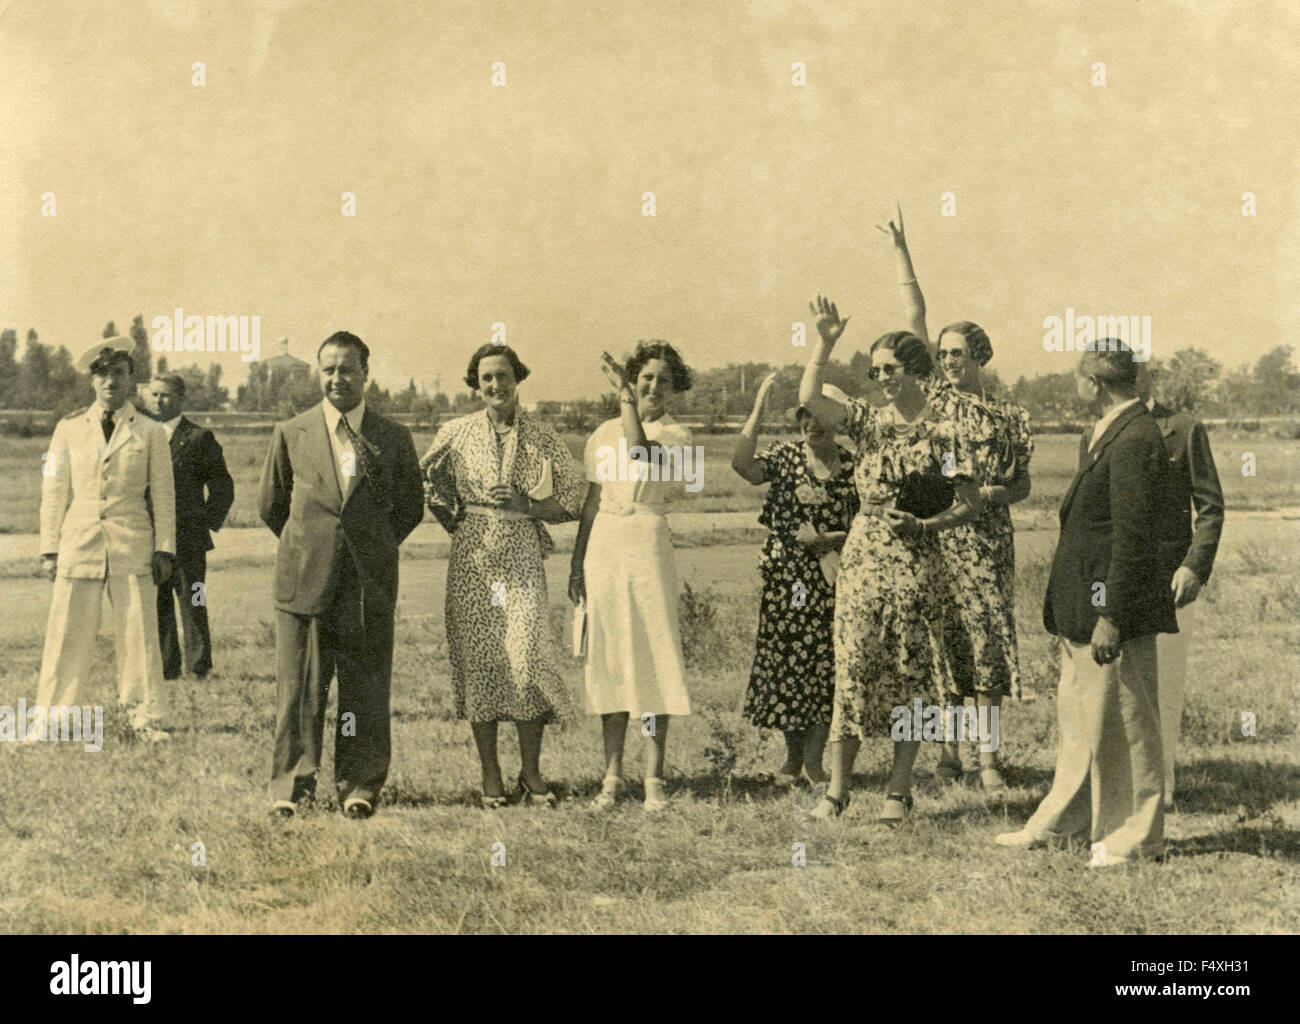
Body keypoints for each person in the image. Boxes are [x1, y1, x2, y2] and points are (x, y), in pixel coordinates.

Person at [798, 297, 998, 824]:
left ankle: (898, 791)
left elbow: (972, 501)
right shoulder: (866, 422)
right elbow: (810, 398)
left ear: (916, 371)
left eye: (891, 369)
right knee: (853, 666)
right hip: (863, 558)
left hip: (918, 561)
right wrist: (824, 342)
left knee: (911, 674)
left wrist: (928, 525)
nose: (881, 377)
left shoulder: (945, 433)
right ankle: (836, 793)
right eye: (875, 370)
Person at [996, 344, 1175, 866]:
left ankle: (1134, 839)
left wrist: (1112, 615)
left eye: (1077, 377)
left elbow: (1134, 537)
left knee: (1126, 724)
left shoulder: (1136, 437)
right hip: (1082, 609)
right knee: (1081, 722)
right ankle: (1064, 826)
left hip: (1112, 611)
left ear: (1093, 383)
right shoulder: (1102, 433)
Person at [877, 204, 1034, 790]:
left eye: (956, 354)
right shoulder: (936, 399)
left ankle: (987, 759)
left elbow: (1022, 484)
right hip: (938, 536)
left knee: (987, 649)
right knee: (943, 647)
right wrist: (901, 249)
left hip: (988, 538)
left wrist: (997, 492)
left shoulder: (1010, 416)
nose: (946, 361)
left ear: (980, 358)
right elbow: (914, 314)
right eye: (941, 355)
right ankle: (949, 757)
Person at [257, 331, 424, 820]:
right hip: (305, 581)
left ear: (366, 374)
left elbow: (409, 507)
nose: (337, 378)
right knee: (299, 691)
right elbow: (272, 506)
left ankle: (359, 784)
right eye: (328, 368)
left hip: (367, 585)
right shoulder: (292, 432)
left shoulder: (393, 437)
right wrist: (312, 547)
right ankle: (291, 786)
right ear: (318, 373)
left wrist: (368, 546)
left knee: (364, 690)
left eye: (347, 368)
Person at [420, 344, 586, 809]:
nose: (496, 385)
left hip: (522, 558)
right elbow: (426, 480)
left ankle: (531, 773)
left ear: (518, 379)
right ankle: (490, 776)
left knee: (526, 659)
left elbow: (573, 499)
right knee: (481, 664)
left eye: (504, 376)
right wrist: (455, 519)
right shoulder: (455, 431)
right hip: (473, 560)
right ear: (475, 383)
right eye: (486, 378)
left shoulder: (542, 436)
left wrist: (528, 506)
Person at [569, 341, 695, 813]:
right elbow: (591, 502)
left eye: (664, 379)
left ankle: (654, 778)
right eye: (645, 378)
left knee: (652, 651)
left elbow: (640, 451)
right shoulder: (601, 434)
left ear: (675, 387)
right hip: (604, 544)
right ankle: (612, 776)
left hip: (647, 540)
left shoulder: (679, 435)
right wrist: (577, 562)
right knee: (609, 656)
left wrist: (624, 398)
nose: (653, 387)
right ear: (634, 379)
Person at [35, 337, 176, 741]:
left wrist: (165, 548)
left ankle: (145, 719)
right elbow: (54, 491)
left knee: (139, 634)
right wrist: (49, 548)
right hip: (78, 543)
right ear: (92, 381)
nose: (110, 381)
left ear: (132, 379)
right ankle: (53, 720)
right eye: (102, 373)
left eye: (118, 373)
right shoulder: (68, 428)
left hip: (132, 544)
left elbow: (164, 494)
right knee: (66, 632)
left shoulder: (150, 431)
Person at [731, 371, 857, 786]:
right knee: (789, 666)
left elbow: (867, 523)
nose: (811, 424)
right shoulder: (785, 457)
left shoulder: (854, 467)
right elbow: (743, 467)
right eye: (805, 416)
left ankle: (817, 761)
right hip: (788, 578)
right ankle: (791, 760)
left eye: (819, 416)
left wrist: (831, 538)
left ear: (837, 420)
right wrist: (758, 408)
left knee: (825, 667)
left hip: (834, 577)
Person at [1136, 364, 1224, 810]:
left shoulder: (1185, 429)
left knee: (1165, 681)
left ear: (1149, 375)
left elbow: (1210, 507)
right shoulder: (1103, 429)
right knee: (1119, 684)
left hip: (1170, 577)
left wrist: (1194, 567)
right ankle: (1121, 782)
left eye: (1135, 371)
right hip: (1117, 577)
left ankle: (1162, 782)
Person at [145, 373, 234, 682]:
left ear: (180, 399)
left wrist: (205, 520)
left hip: (190, 540)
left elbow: (222, 484)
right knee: (158, 603)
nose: (158, 401)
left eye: (165, 395)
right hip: (151, 538)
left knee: (194, 599)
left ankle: (199, 667)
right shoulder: (140, 435)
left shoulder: (198, 438)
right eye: (154, 394)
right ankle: (167, 668)